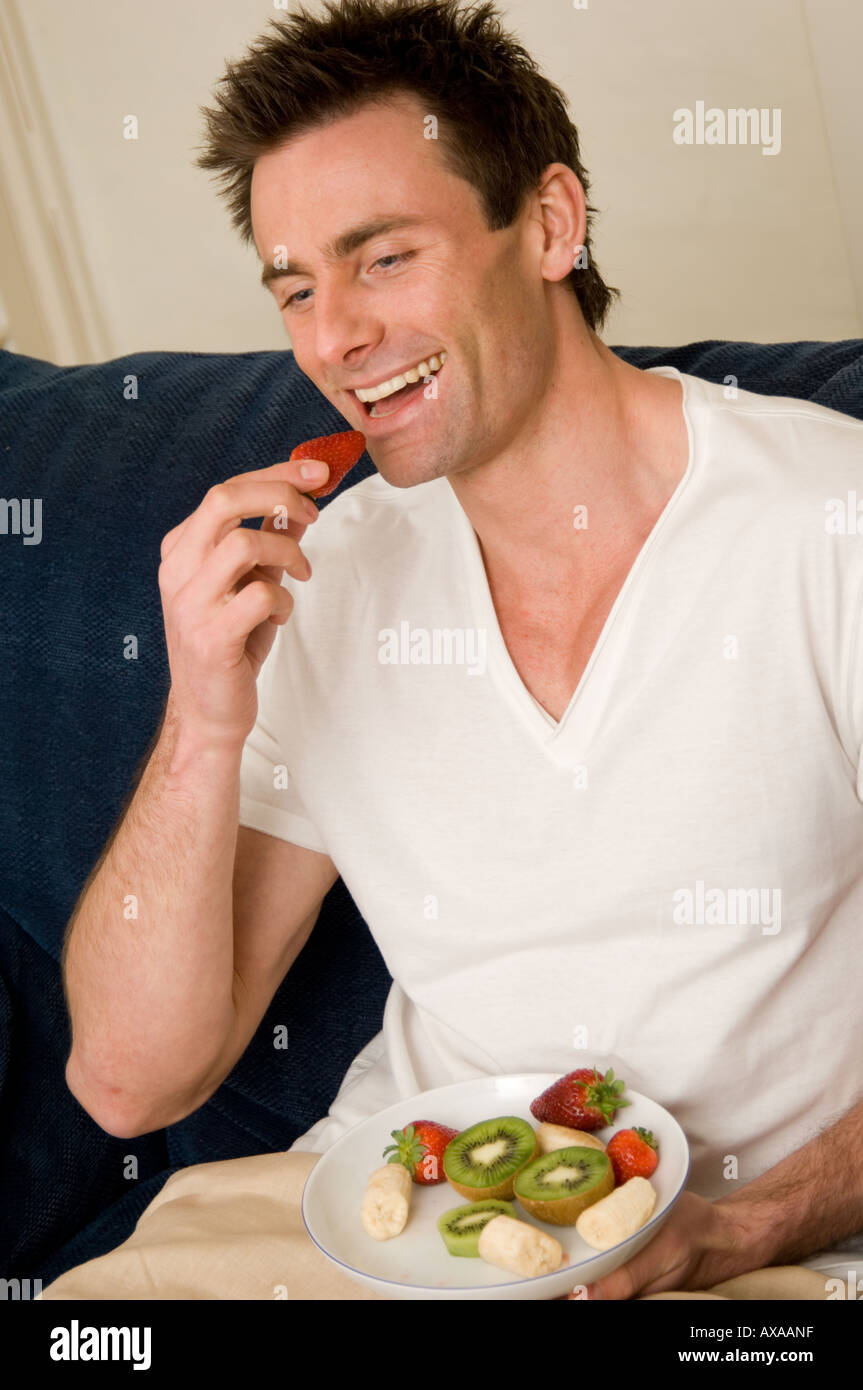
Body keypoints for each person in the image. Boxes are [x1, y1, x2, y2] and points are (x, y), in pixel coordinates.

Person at [61, 0, 863, 1299]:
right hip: (401, 1219)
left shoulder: (828, 522)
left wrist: (751, 1225)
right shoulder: (324, 580)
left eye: (382, 260)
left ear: (550, 223)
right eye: (298, 288)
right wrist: (203, 714)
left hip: (751, 1243)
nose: (334, 339)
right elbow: (125, 1080)